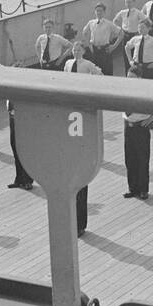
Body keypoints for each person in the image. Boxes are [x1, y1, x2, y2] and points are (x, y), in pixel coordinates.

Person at [63, 44, 103, 235]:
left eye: (79, 50)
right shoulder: (68, 63)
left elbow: (99, 74)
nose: (76, 53)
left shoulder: (87, 65)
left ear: (84, 52)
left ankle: (80, 225)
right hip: (71, 101)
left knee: (80, 190)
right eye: (74, 50)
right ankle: (73, 223)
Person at [122, 69, 153, 200]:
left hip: (141, 127)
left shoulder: (146, 91)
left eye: (133, 77)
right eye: (128, 76)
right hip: (128, 127)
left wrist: (150, 118)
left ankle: (143, 189)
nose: (130, 79)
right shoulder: (125, 90)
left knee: (142, 159)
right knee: (130, 159)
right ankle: (132, 188)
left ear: (139, 77)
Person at [80, 2, 123, 74]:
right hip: (94, 50)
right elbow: (84, 32)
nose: (99, 13)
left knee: (107, 72)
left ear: (104, 12)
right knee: (94, 71)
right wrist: (88, 45)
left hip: (105, 50)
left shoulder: (108, 23)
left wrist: (114, 46)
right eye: (97, 11)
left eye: (101, 11)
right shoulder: (91, 23)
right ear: (95, 12)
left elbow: (121, 33)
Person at [6, 100, 34, 191]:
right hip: (13, 116)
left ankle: (27, 180)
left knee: (24, 149)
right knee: (14, 146)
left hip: (22, 116)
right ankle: (19, 179)